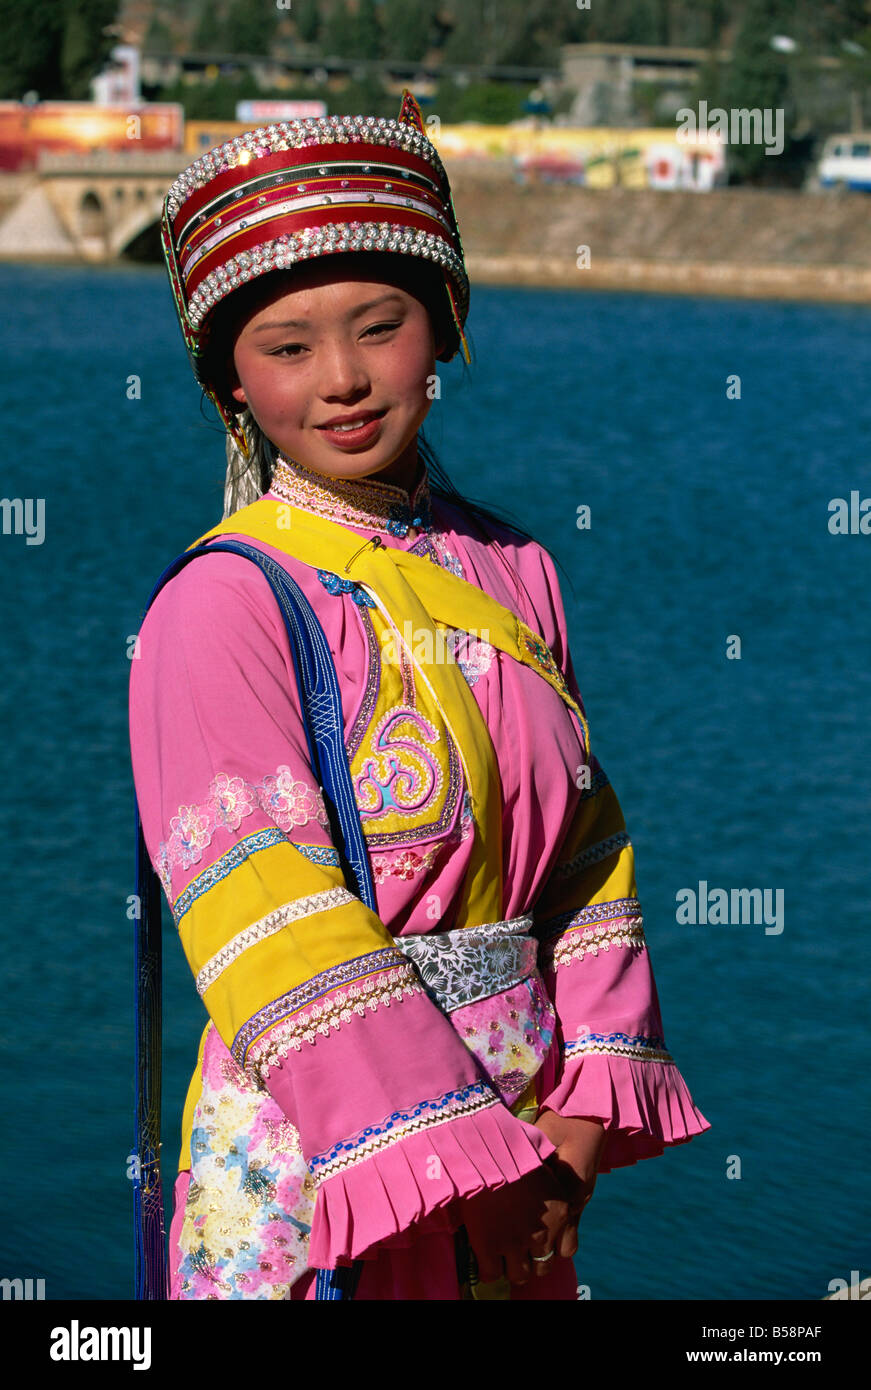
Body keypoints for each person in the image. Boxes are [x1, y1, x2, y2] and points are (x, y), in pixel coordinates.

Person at [128, 91, 710, 1301]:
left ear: (440, 331)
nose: (339, 380)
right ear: (229, 383)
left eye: (378, 327)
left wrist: (577, 1132)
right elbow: (266, 913)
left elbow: (589, 852)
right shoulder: (221, 606)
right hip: (328, 1154)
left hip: (533, 1134)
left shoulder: (514, 568)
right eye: (285, 348)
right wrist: (472, 1167)